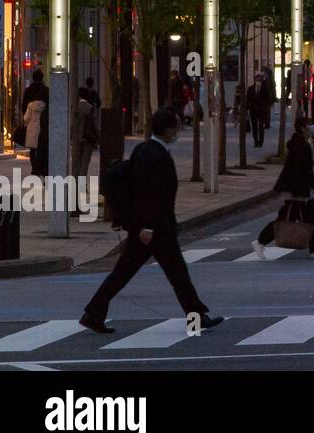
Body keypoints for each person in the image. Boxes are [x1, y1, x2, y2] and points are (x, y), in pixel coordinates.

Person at [80, 107, 224, 334]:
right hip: (156, 228)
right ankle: (197, 318)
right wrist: (146, 226)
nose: (177, 132)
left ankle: (93, 313)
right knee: (178, 275)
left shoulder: (143, 149)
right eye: (175, 128)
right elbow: (149, 194)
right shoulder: (156, 156)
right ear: (167, 131)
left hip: (147, 227)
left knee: (124, 273)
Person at [253, 119, 314, 256]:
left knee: (300, 216)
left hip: (297, 188)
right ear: (302, 128)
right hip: (296, 189)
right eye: (308, 125)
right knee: (303, 216)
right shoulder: (299, 145)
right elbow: (296, 169)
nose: (311, 127)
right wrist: (299, 192)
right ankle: (260, 241)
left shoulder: (301, 143)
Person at [72, 87, 99, 180]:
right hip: (88, 138)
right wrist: (98, 138)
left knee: (76, 161)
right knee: (85, 161)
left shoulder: (75, 108)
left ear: (79, 96)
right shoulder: (91, 108)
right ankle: (82, 183)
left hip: (76, 139)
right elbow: (95, 125)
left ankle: (75, 181)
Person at [246, 74, 270, 148]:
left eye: (260, 80)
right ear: (255, 80)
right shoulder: (250, 88)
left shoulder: (265, 89)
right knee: (254, 127)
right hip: (253, 110)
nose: (258, 81)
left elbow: (268, 100)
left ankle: (261, 141)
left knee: (261, 126)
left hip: (262, 110)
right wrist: (246, 109)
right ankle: (256, 141)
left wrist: (266, 108)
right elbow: (248, 99)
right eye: (257, 80)